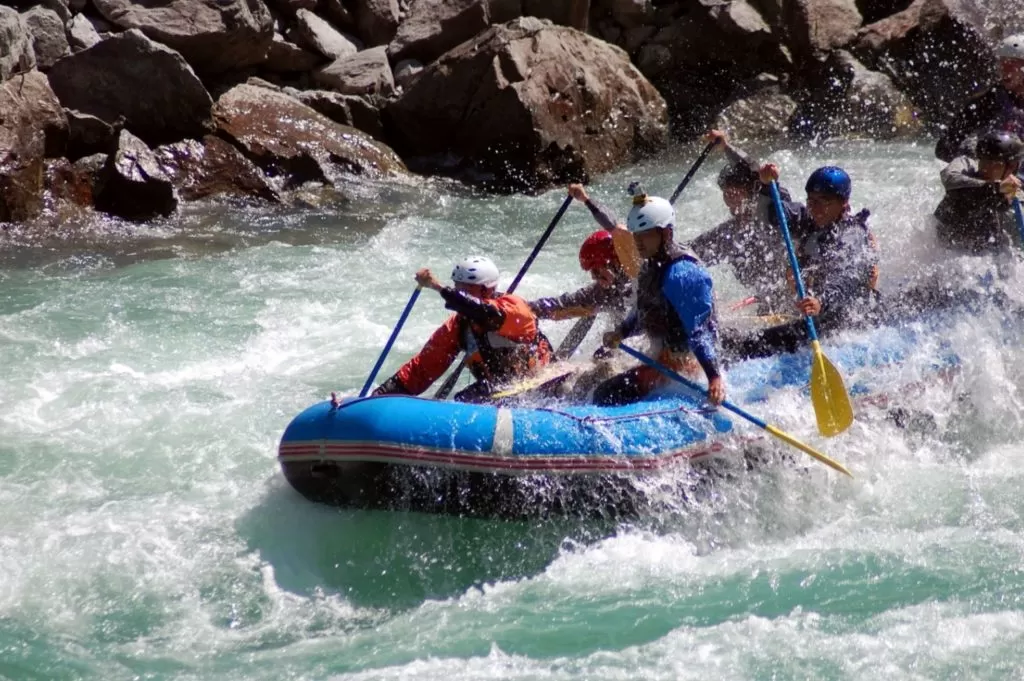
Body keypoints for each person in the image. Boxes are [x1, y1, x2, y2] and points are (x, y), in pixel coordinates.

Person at [723, 164, 881, 361]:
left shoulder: (852, 235)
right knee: (734, 339)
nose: (815, 207)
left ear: (844, 203)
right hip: (814, 310)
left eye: (824, 201)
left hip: (848, 316)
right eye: (811, 200)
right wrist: (766, 185)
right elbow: (775, 214)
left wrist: (821, 300)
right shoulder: (808, 218)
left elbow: (847, 277)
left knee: (749, 346)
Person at [593, 193, 726, 407]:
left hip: (688, 364)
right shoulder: (650, 267)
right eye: (636, 235)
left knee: (606, 394)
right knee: (601, 387)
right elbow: (643, 312)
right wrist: (622, 332)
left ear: (666, 233)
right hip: (665, 358)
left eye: (645, 235)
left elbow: (699, 331)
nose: (638, 242)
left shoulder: (682, 274)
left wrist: (714, 377)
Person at [372, 256, 553, 402]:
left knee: (470, 397)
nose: (459, 292)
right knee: (467, 397)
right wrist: (378, 398)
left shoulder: (513, 309)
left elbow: (483, 312)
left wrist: (437, 286)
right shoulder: (458, 326)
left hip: (538, 383)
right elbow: (422, 369)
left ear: (485, 290)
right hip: (499, 390)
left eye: (464, 289)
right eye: (457, 287)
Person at [688, 130, 799, 314]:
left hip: (795, 293)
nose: (730, 200)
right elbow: (691, 255)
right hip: (764, 298)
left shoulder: (774, 207)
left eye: (735, 193)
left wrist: (727, 147)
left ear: (752, 191)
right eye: (726, 194)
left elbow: (754, 170)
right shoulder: (730, 232)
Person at [528, 189, 634, 326]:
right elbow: (561, 304)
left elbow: (616, 229)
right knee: (585, 309)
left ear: (613, 262)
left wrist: (586, 200)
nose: (594, 278)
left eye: (596, 271)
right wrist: (525, 307)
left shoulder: (640, 270)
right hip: (628, 335)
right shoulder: (602, 292)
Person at [936, 34, 1024, 162]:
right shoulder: (987, 102)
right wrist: (981, 163)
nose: (1003, 69)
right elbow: (944, 147)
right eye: (1001, 63)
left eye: (1011, 63)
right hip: (997, 172)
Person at [934, 129, 1024, 255]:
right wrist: (995, 187)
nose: (985, 168)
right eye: (983, 160)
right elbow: (949, 178)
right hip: (947, 250)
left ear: (1012, 166)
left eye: (994, 164)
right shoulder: (966, 164)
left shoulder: (1018, 189)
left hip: (990, 253)